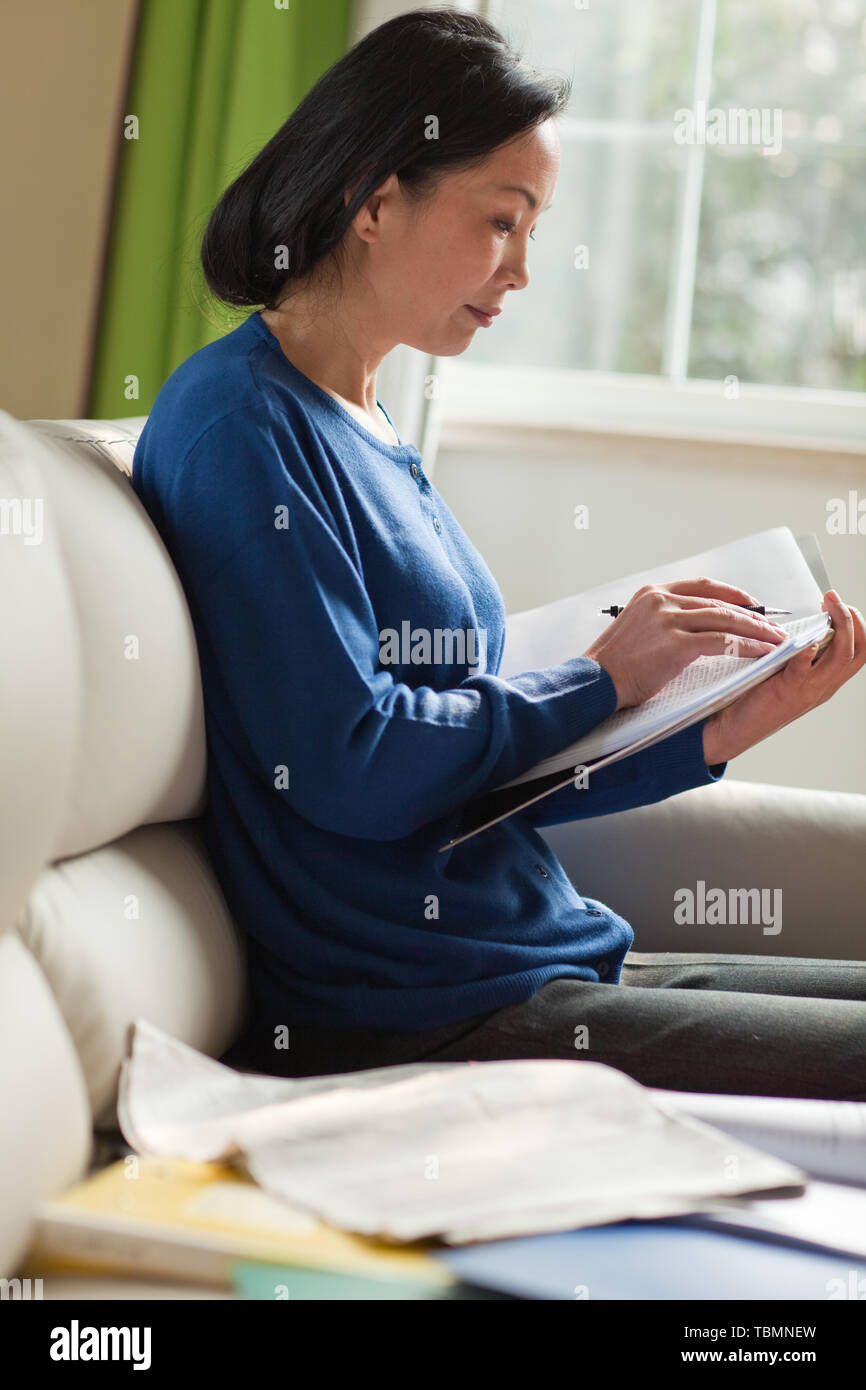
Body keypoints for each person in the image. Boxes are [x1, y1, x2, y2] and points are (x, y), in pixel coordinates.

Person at [132, 8, 866, 1098]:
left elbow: (472, 781)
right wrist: (600, 675)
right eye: (501, 221)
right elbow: (353, 762)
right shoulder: (240, 426)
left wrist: (704, 731)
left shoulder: (365, 420)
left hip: (539, 962)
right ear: (374, 201)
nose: (522, 269)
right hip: (436, 1011)